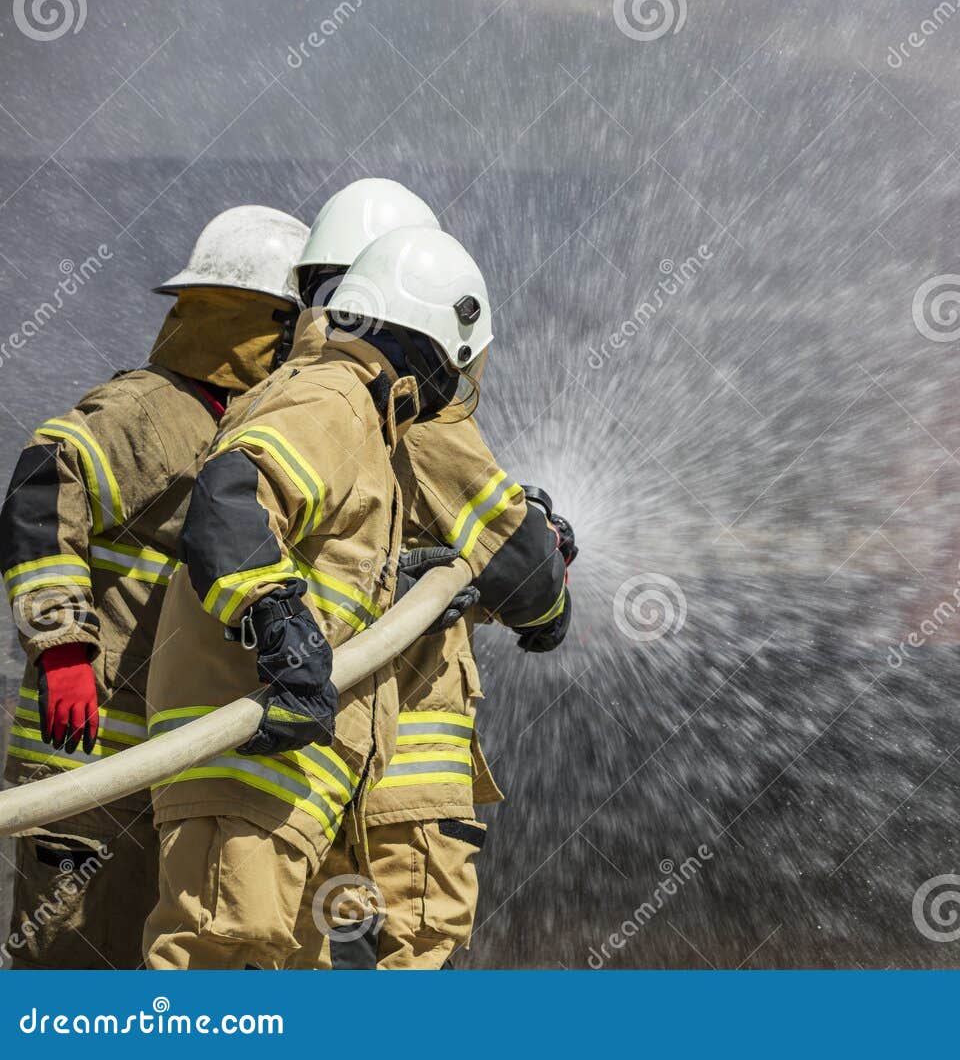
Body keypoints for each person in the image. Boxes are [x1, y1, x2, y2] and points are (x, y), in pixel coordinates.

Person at [140, 227, 495, 969]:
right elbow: (234, 498)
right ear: (429, 345)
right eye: (448, 370)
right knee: (218, 962)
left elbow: (311, 546)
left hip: (287, 768)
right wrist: (280, 626)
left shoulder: (360, 418)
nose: (444, 395)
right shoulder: (333, 394)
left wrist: (400, 583)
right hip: (244, 755)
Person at [274, 178, 574, 968]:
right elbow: (529, 584)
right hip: (401, 772)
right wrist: (543, 551)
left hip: (292, 761)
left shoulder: (275, 392)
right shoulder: (423, 415)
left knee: (298, 965)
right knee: (413, 955)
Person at [0, 205, 308, 968]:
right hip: (87, 763)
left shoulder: (230, 425)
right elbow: (43, 486)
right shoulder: (159, 409)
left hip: (157, 765)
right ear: (267, 323)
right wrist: (63, 645)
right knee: (70, 977)